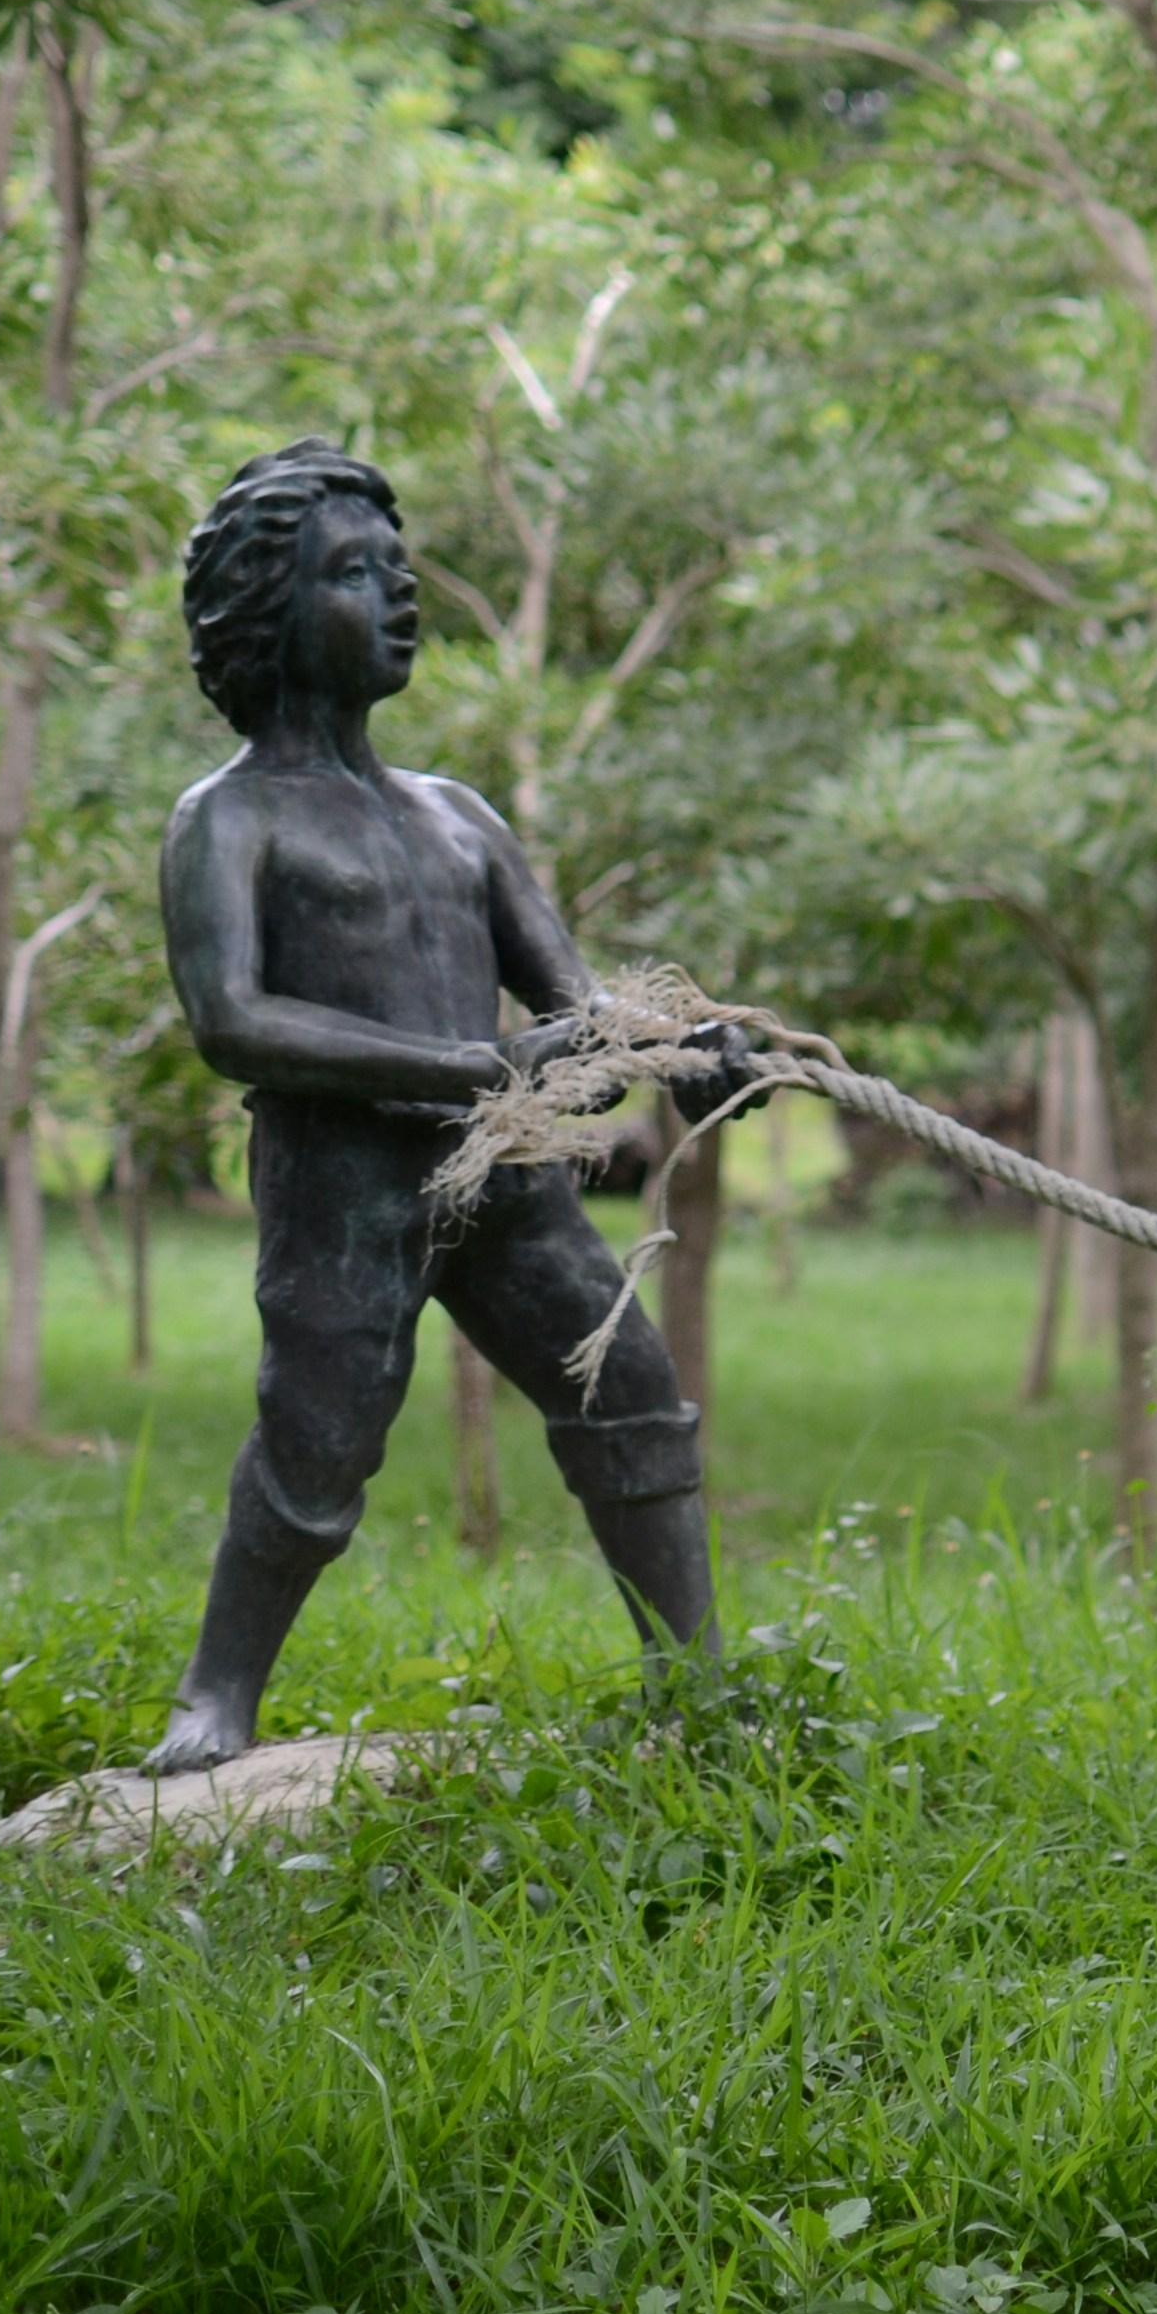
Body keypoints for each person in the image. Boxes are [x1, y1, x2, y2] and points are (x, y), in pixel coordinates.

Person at [149, 439, 739, 1775]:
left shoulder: (456, 817)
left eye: (400, 570)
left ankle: (693, 1688)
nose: (402, 597)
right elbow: (231, 1019)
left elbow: (577, 1005)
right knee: (320, 1445)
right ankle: (217, 1692)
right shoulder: (228, 820)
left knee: (630, 1389)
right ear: (274, 616)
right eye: (358, 575)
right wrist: (460, 1067)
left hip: (505, 1182)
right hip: (343, 1187)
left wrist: (699, 1048)